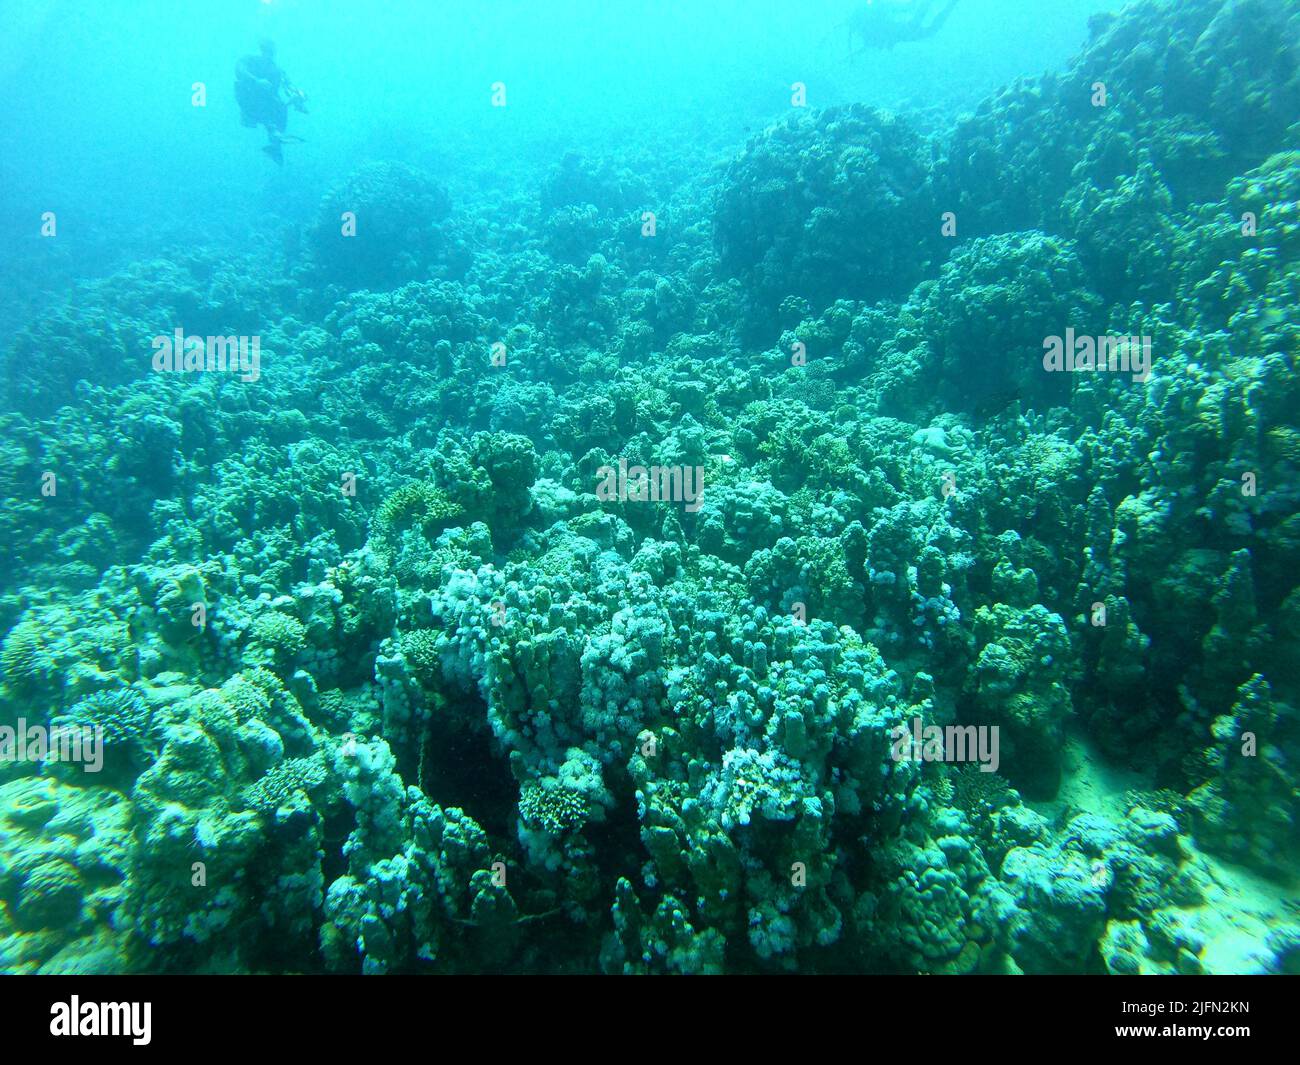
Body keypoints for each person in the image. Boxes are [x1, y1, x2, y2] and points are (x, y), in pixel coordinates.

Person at [235, 39, 307, 164]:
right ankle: (272, 131)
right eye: (269, 50)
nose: (271, 53)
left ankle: (275, 140)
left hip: (268, 100)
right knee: (268, 110)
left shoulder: (276, 69)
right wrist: (256, 80)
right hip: (249, 98)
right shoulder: (249, 60)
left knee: (281, 107)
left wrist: (297, 94)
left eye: (272, 50)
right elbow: (240, 69)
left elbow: (287, 83)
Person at [846, 0, 961, 54]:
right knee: (924, 28)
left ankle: (951, 4)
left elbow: (907, 8)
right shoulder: (875, 6)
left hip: (894, 34)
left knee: (922, 27)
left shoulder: (866, 10)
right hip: (894, 33)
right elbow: (907, 8)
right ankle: (951, 4)